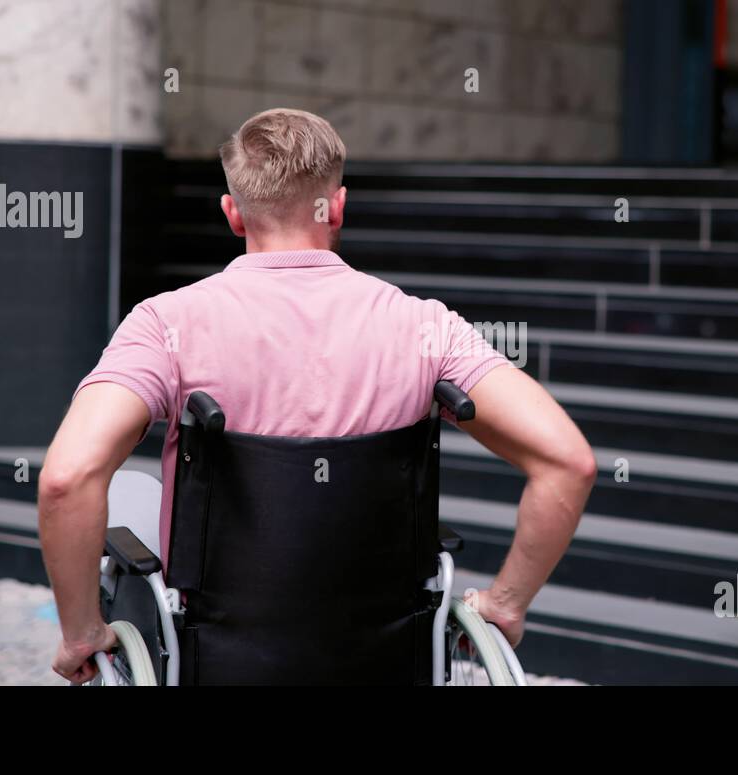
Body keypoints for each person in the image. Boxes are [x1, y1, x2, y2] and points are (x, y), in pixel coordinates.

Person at [37, 108, 596, 684]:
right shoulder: (427, 327)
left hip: (221, 658)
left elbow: (66, 479)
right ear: (339, 206)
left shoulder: (166, 324)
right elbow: (568, 463)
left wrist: (83, 634)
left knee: (131, 496)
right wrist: (505, 605)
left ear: (232, 214)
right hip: (379, 658)